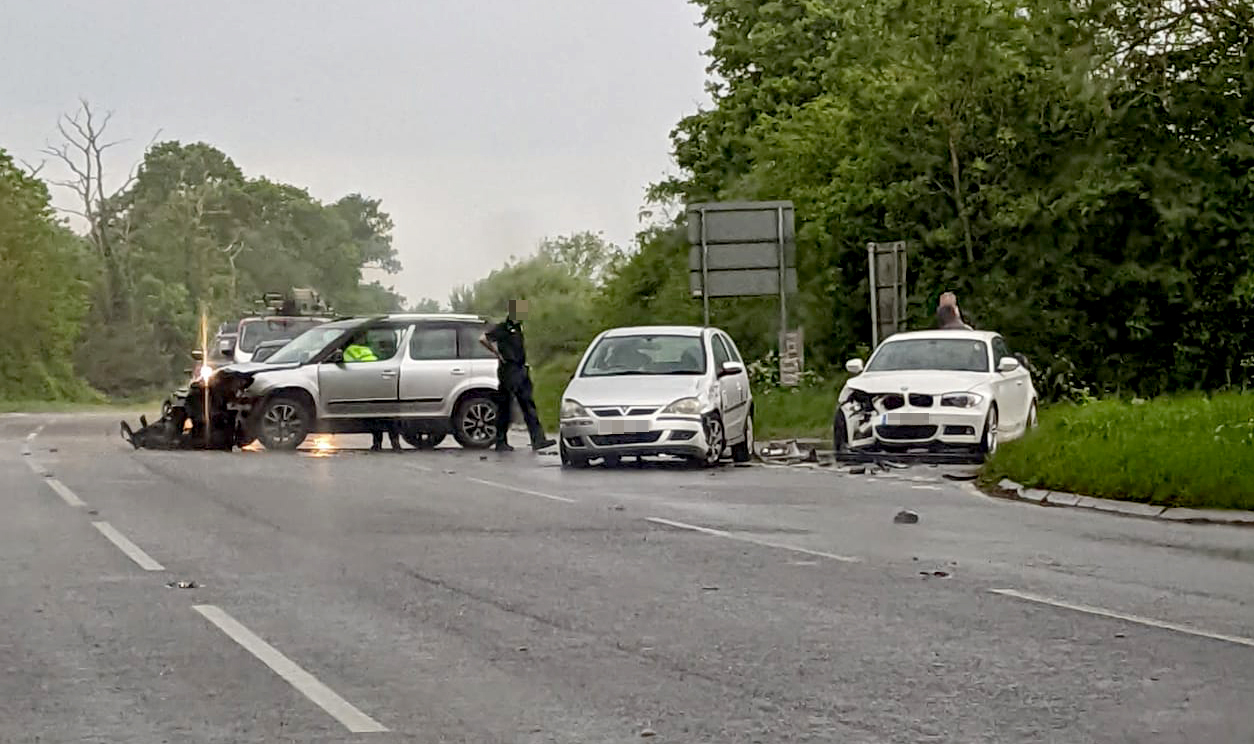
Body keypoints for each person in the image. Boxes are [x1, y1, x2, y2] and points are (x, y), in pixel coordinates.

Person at [479, 299, 557, 453]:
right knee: (506, 406)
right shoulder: (503, 327)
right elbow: (483, 338)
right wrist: (497, 354)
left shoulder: (518, 328)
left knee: (528, 404)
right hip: (509, 369)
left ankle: (538, 439)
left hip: (521, 368)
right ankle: (501, 441)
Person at [342, 332, 402, 451]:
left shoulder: (358, 350)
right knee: (389, 416)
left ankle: (378, 443)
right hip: (382, 384)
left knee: (376, 417)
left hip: (367, 386)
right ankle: (394, 443)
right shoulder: (365, 350)